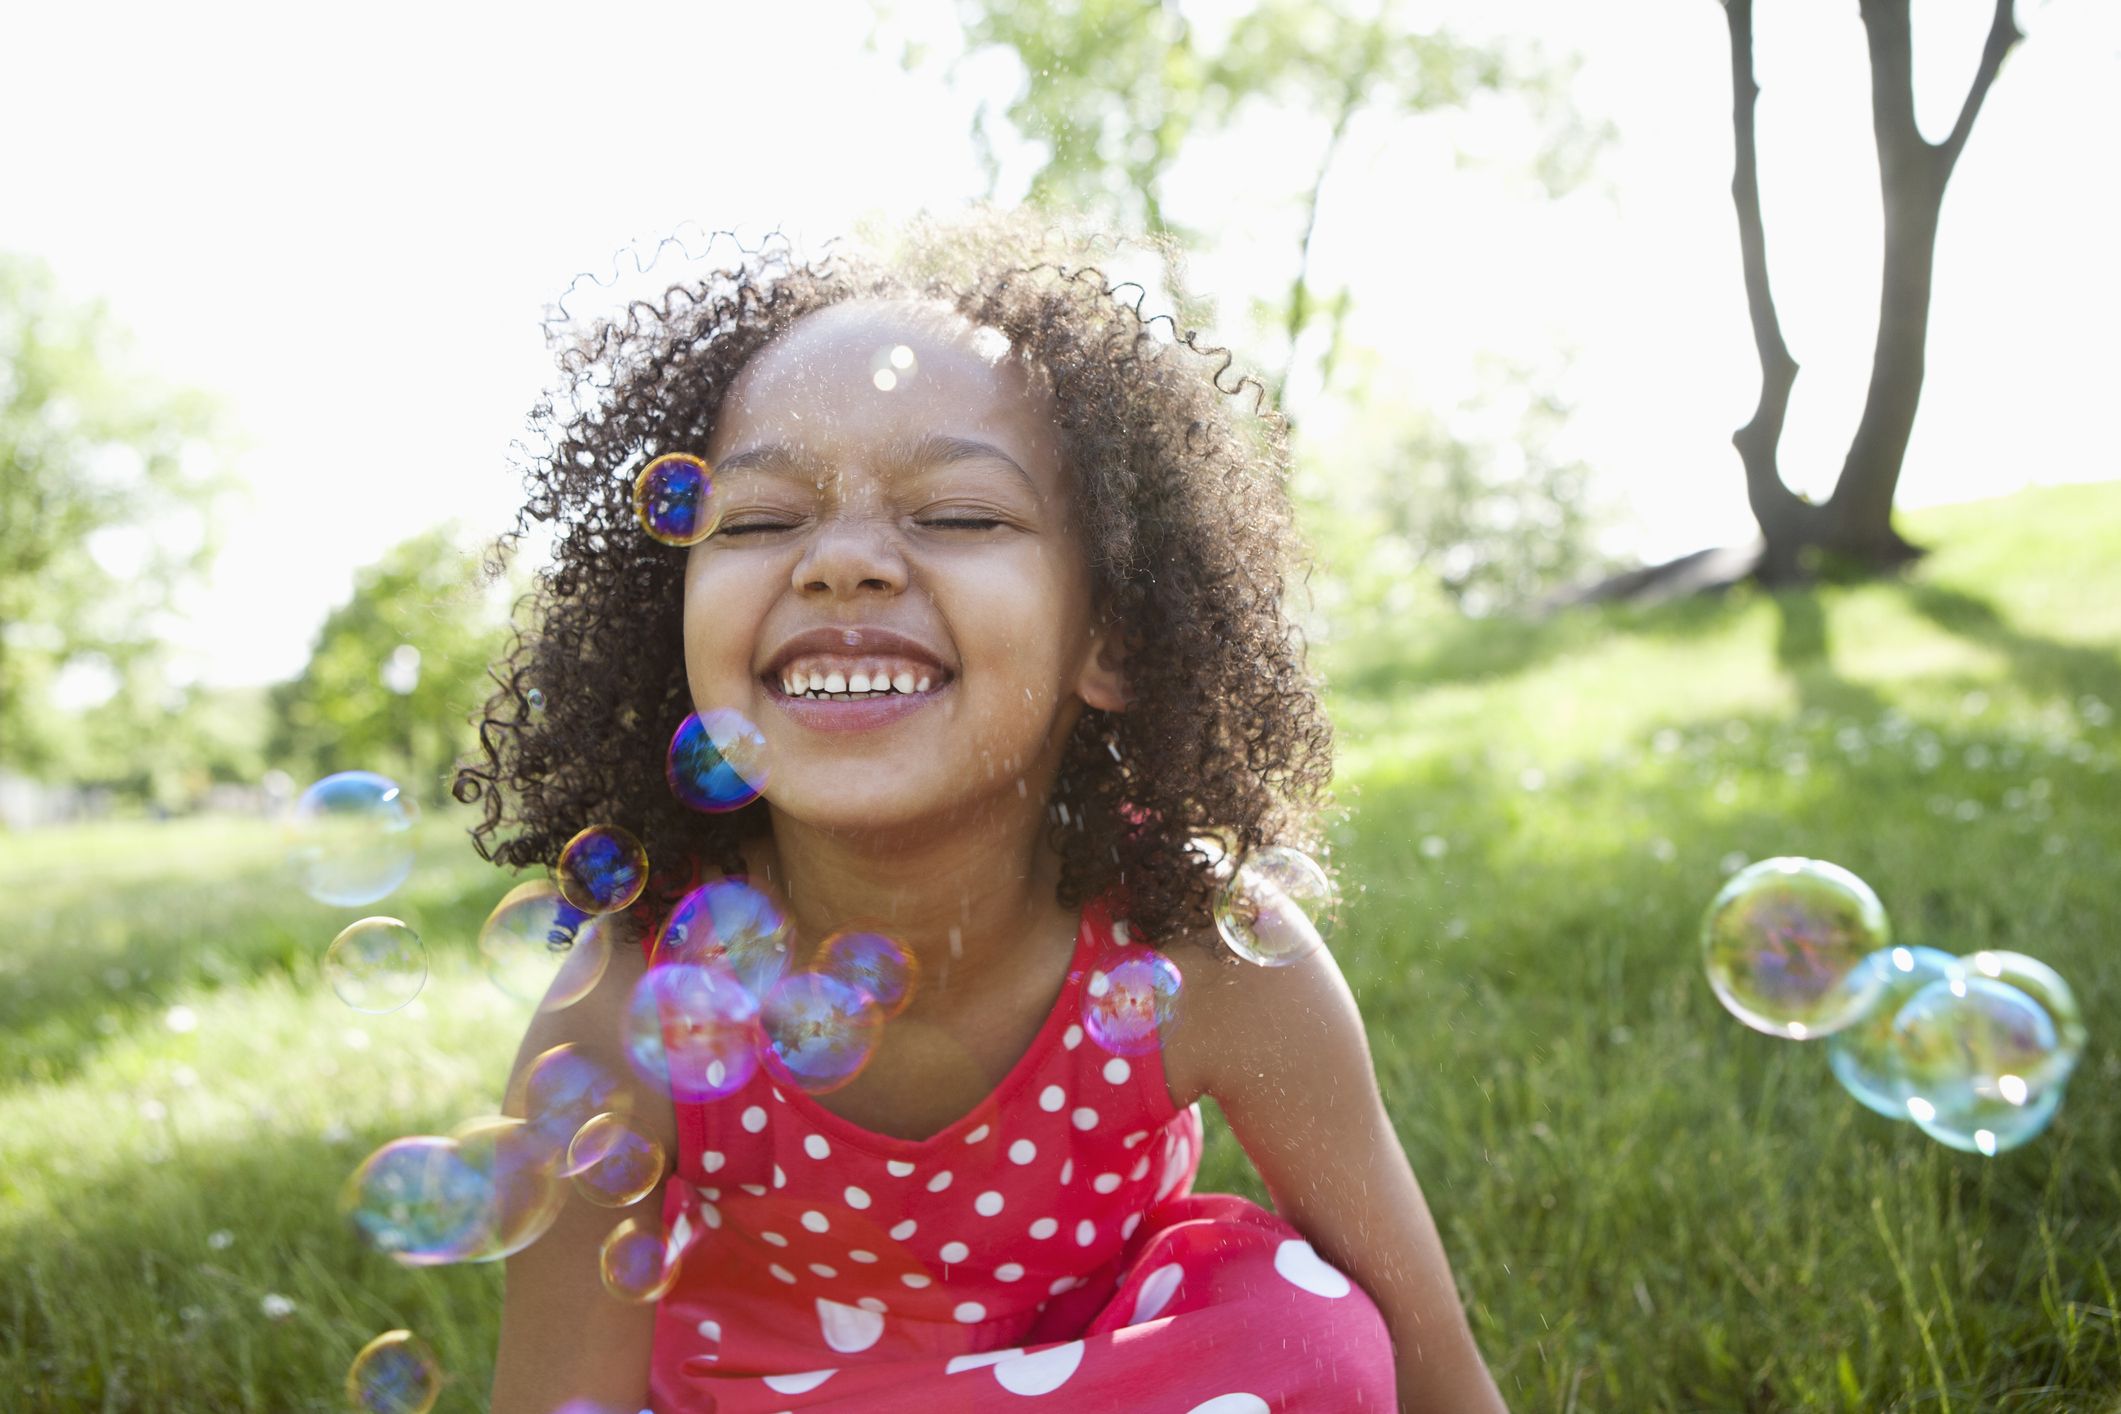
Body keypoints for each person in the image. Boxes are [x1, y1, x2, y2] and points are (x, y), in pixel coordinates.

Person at [462, 206, 1508, 1412]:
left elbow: (1438, 1376)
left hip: (1105, 1383)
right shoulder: (629, 1006)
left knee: (1306, 1336)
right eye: (758, 522)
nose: (840, 562)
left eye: (958, 515)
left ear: (1110, 636)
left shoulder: (1211, 951)